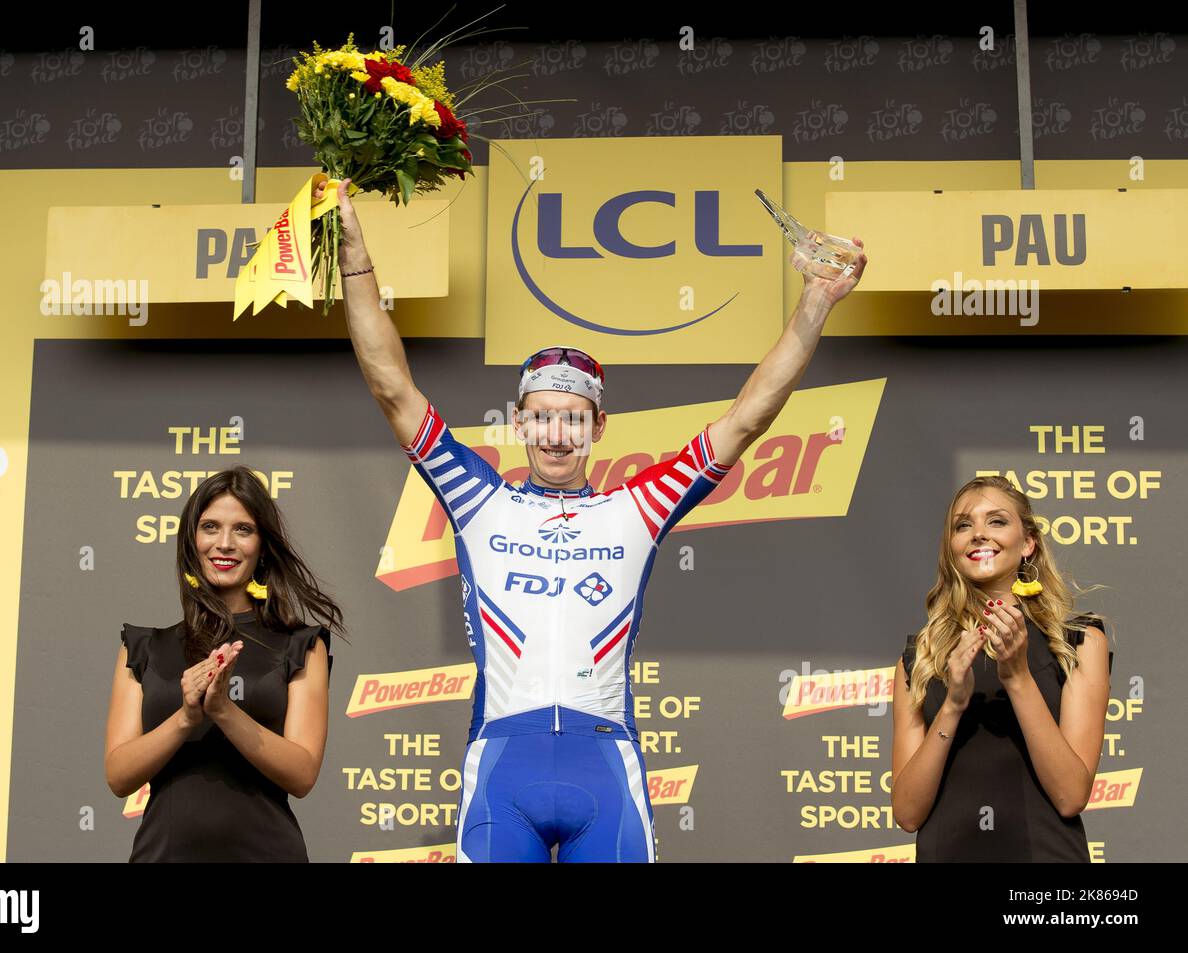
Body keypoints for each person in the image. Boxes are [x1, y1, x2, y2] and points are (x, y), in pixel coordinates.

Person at [332, 177, 866, 862]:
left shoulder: (636, 507)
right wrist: (354, 253)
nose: (557, 436)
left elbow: (748, 416)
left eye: (574, 419)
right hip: (502, 766)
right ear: (519, 420)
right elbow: (390, 384)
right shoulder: (477, 498)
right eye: (543, 417)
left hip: (606, 766)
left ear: (599, 425)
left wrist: (815, 303)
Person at [104, 466, 343, 862]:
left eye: (243, 530)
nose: (225, 543)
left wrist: (222, 710)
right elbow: (118, 775)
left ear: (263, 545)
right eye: (210, 527)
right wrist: (186, 716)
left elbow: (302, 775)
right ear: (191, 540)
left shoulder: (300, 645)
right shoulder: (144, 647)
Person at [891, 475, 1112, 862]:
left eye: (996, 521)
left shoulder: (1078, 642)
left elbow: (1070, 796)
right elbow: (907, 813)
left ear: (1028, 543)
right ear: (951, 548)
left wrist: (1017, 675)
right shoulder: (921, 658)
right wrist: (953, 705)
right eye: (963, 525)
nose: (978, 533)